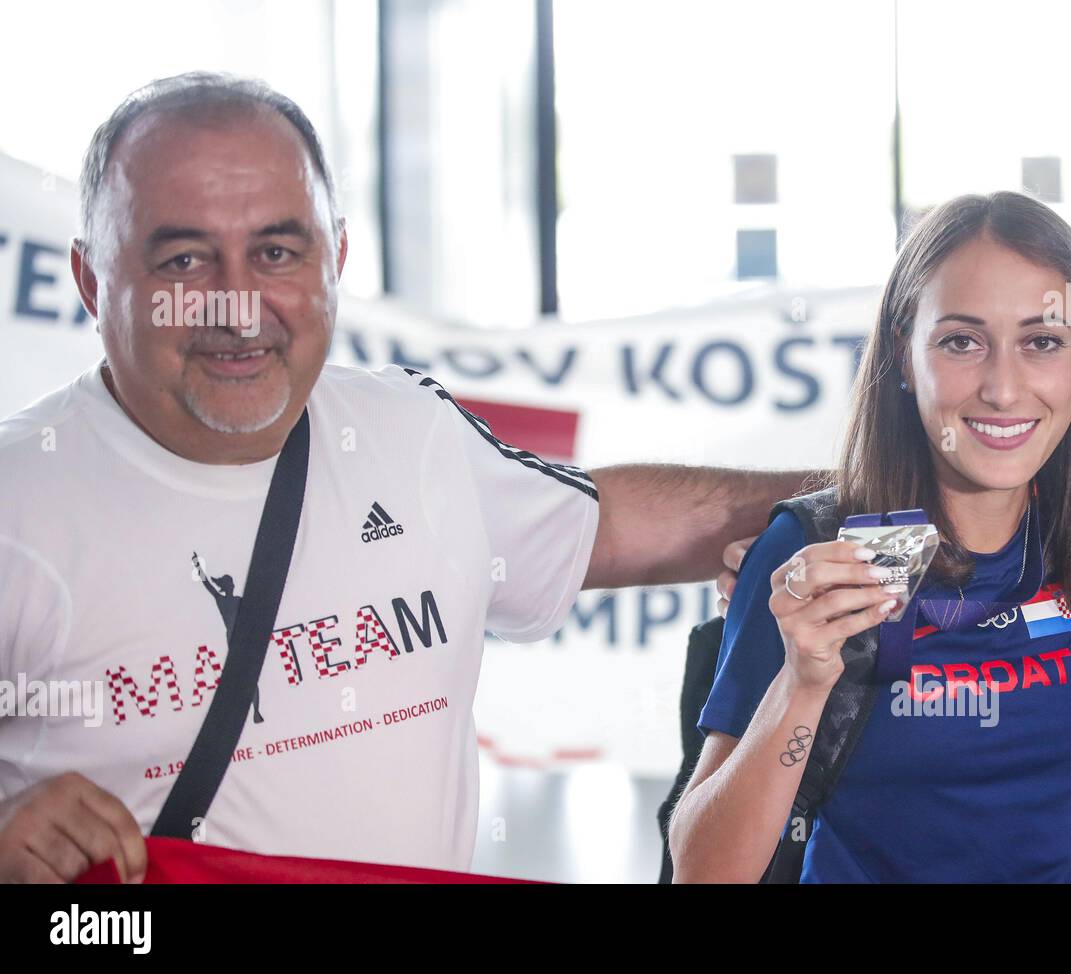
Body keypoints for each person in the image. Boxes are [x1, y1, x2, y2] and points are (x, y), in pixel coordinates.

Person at [0, 72, 809, 884]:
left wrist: (863, 492)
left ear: (336, 259)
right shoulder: (18, 504)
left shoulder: (408, 433)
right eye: (185, 260)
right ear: (91, 280)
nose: (237, 306)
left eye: (276, 253)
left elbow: (619, 526)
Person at [671, 192, 1071, 883]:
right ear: (904, 355)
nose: (1002, 388)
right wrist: (803, 682)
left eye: (1042, 342)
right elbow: (705, 872)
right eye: (962, 342)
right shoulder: (819, 552)